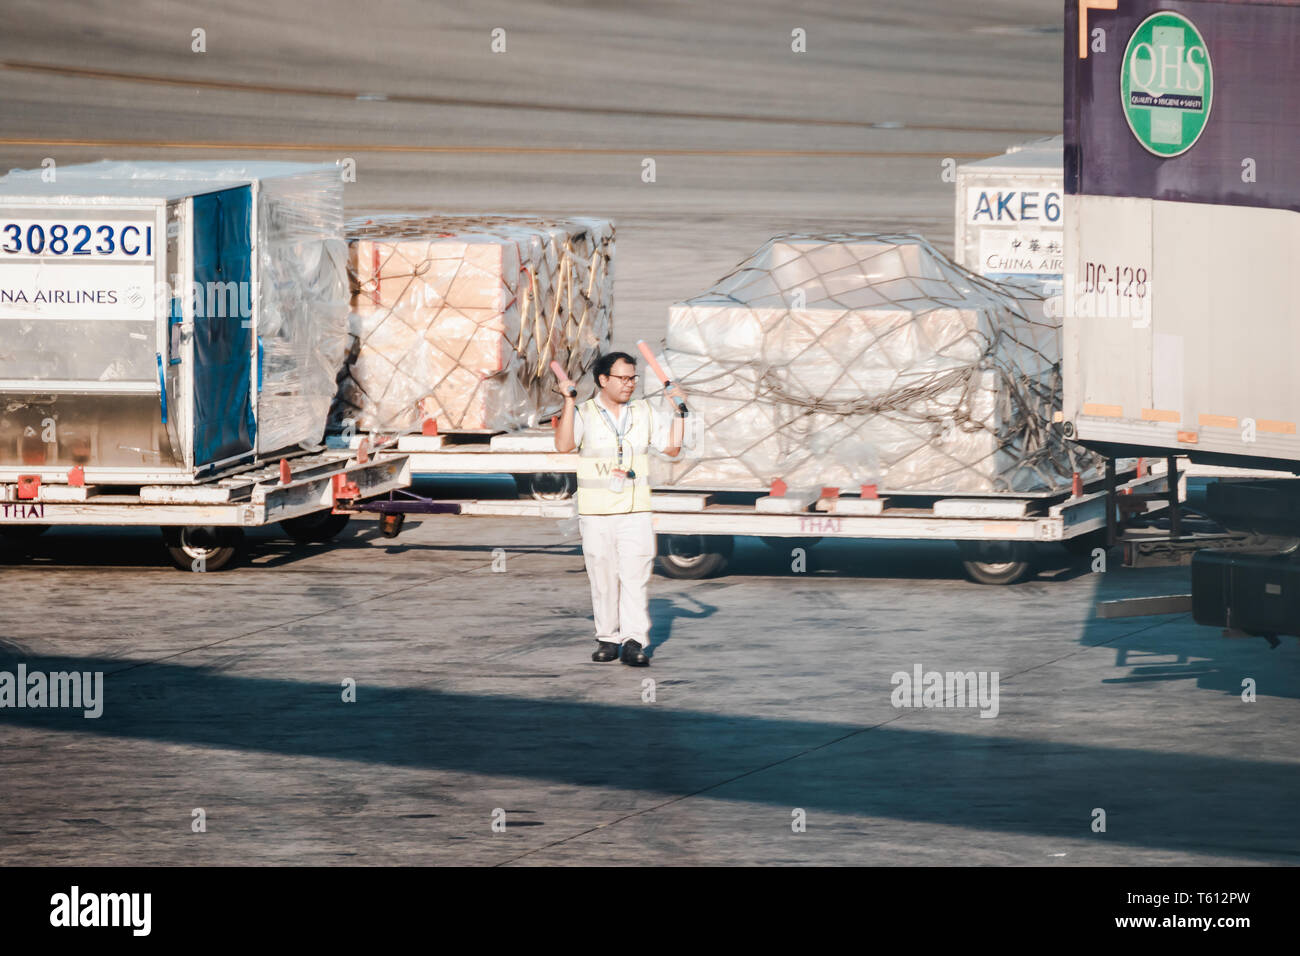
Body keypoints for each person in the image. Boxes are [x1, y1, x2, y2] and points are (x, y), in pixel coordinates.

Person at [554, 351, 685, 666]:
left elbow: (672, 448)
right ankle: (608, 638)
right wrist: (569, 401)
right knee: (602, 576)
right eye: (623, 378)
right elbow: (564, 445)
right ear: (603, 380)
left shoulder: (644, 411)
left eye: (633, 378)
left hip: (634, 510)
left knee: (634, 576)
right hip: (596, 512)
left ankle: (634, 641)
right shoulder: (584, 411)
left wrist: (679, 413)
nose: (630, 385)